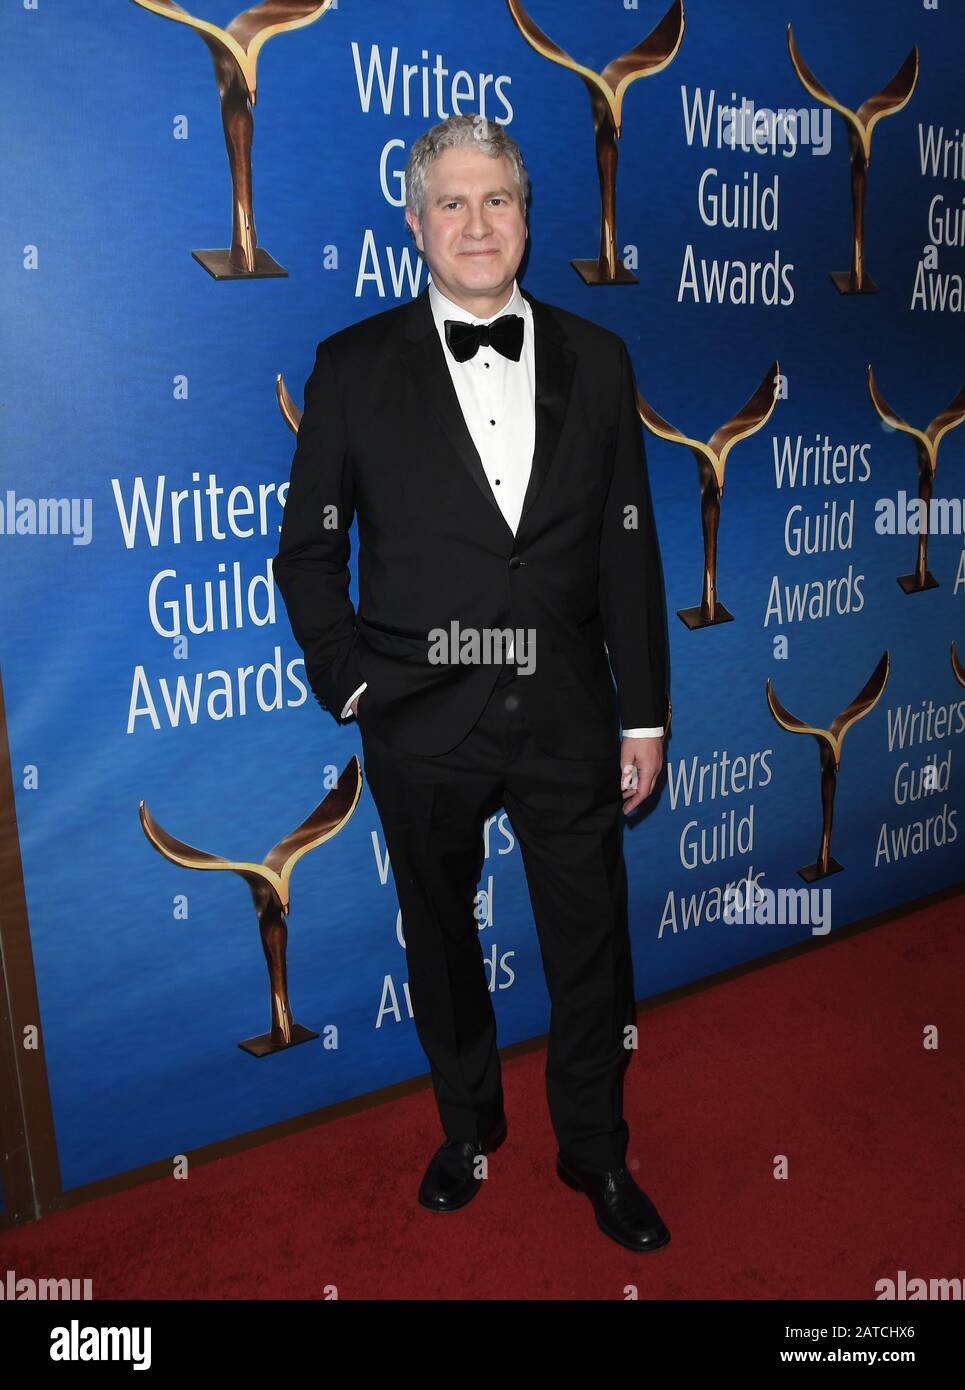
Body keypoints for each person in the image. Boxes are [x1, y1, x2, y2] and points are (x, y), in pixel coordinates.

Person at [272, 114, 671, 1253]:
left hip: (565, 717)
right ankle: (467, 1131)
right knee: (440, 942)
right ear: (412, 223)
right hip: (420, 722)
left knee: (590, 947)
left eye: (496, 199)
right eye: (449, 202)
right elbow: (307, 550)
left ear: (528, 216)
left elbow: (628, 549)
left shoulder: (599, 359)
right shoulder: (351, 367)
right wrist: (355, 687)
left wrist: (641, 713)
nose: (475, 223)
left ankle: (595, 1152)